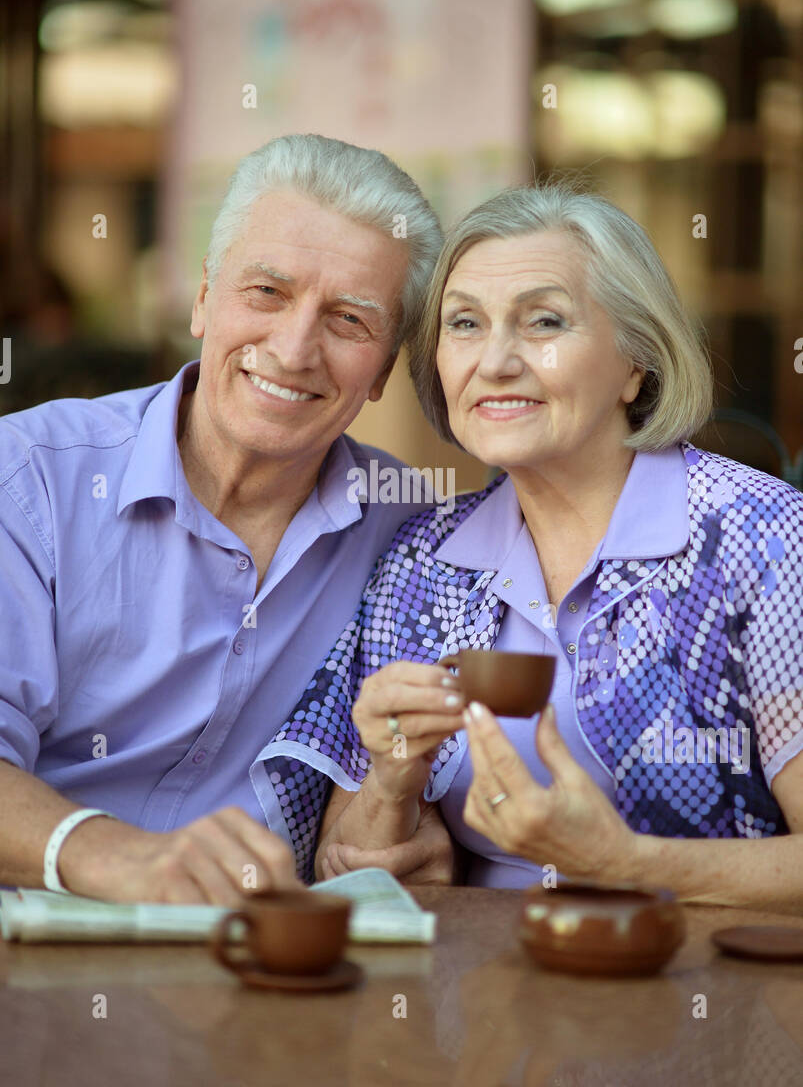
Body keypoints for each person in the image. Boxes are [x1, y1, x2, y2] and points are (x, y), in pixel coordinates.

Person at [263, 182, 803, 910]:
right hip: (480, 996)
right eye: (464, 324)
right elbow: (350, 868)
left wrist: (626, 864)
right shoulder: (421, 564)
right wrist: (392, 776)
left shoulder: (760, 538)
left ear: (635, 361)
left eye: (543, 321)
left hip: (703, 988)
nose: (495, 360)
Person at [0, 133, 454, 902]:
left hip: (279, 960)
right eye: (266, 293)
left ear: (382, 370)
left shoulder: (416, 533)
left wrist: (405, 825)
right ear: (204, 298)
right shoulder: (30, 480)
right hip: (42, 945)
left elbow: (398, 788)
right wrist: (111, 855)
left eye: (349, 320)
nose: (294, 347)